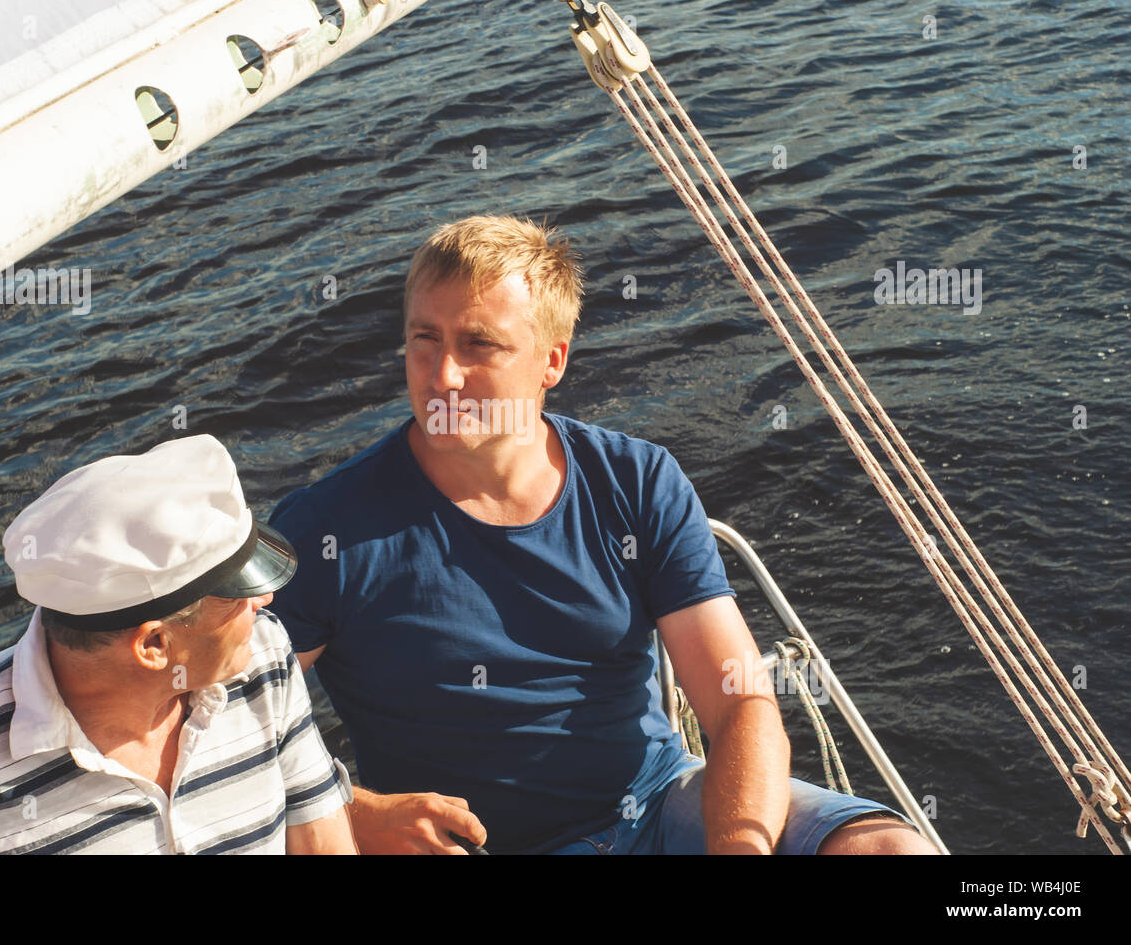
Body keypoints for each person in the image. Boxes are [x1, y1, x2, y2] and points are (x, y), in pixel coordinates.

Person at [267, 215, 935, 854]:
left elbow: (739, 706)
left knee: (889, 848)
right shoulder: (325, 530)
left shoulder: (636, 481)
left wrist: (736, 848)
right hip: (473, 848)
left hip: (661, 807)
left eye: (478, 345)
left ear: (550, 361)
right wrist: (356, 813)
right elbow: (224, 734)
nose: (442, 375)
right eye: (424, 339)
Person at [0, 434, 356, 854]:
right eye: (234, 596)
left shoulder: (262, 655)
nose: (264, 601)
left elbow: (323, 843)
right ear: (155, 646)